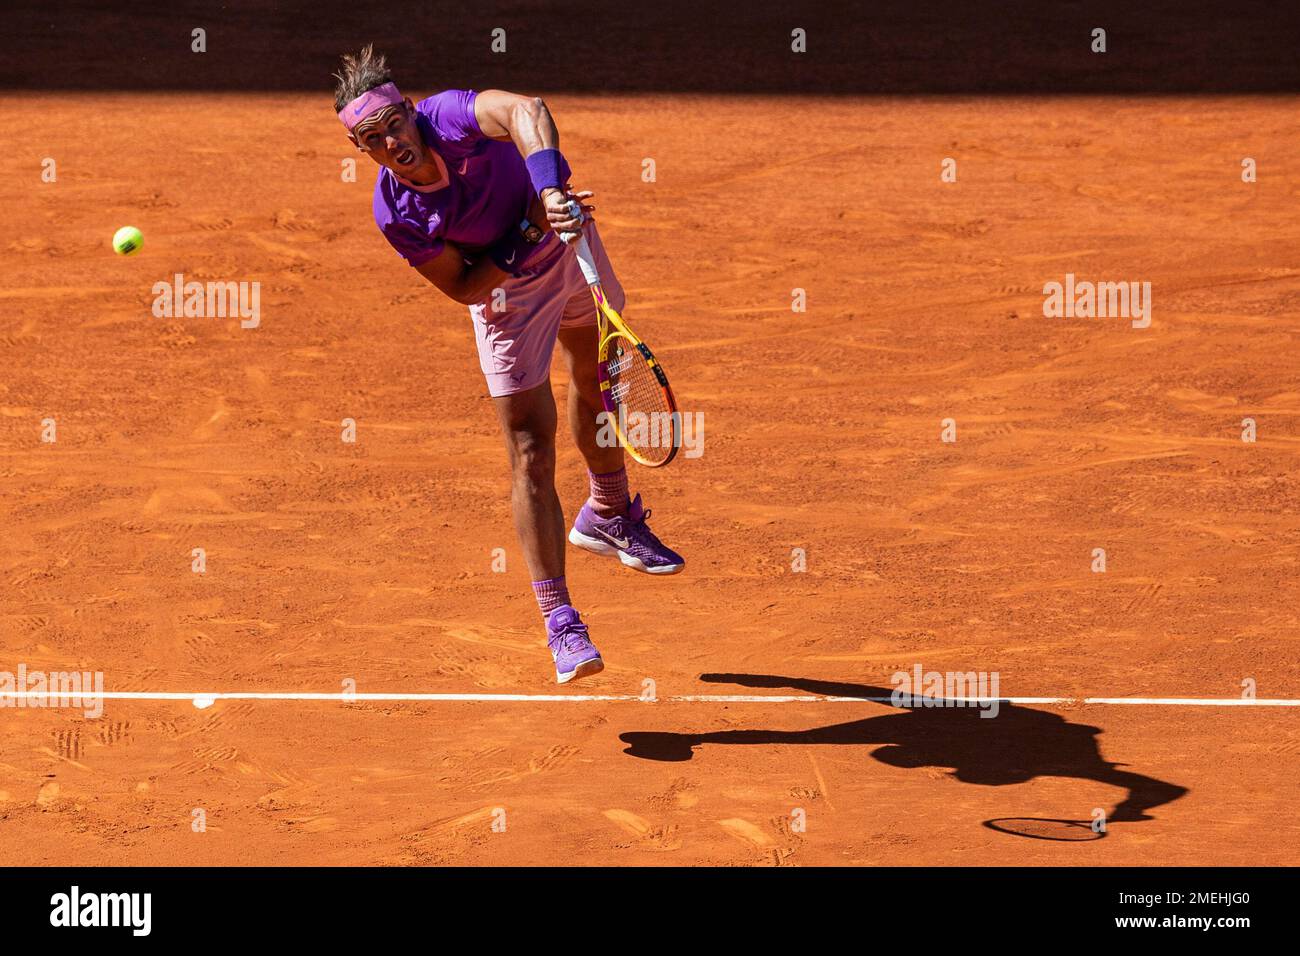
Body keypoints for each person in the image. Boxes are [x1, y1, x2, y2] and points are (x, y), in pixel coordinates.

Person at [333, 46, 684, 684]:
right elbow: (466, 287)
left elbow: (527, 110)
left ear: (411, 114)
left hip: (571, 243)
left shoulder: (453, 116)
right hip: (505, 292)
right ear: (362, 152)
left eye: (392, 125)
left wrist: (548, 194)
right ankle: (560, 621)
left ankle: (608, 513)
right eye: (371, 139)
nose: (389, 142)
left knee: (598, 380)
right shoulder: (397, 213)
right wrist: (527, 234)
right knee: (530, 448)